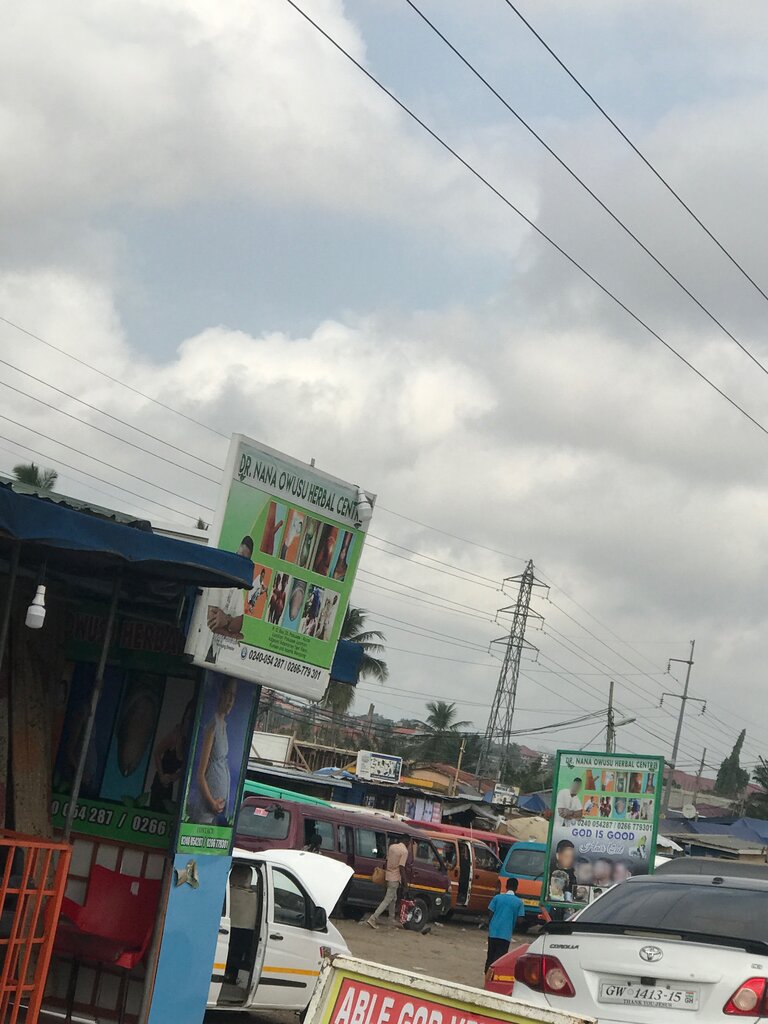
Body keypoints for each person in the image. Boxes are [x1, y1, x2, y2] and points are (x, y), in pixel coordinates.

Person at [193, 676, 236, 824]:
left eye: (233, 696)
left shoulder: (224, 725)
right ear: (221, 693)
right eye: (228, 694)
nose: (230, 701)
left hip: (217, 810)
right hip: (206, 810)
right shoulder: (212, 726)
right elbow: (200, 775)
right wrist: (212, 802)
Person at [206, 537, 253, 662]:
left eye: (245, 560)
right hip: (205, 646)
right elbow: (212, 623)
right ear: (235, 553)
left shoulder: (238, 588)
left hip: (219, 651)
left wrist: (225, 619)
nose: (241, 562)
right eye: (240, 556)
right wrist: (231, 632)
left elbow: (238, 627)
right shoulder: (220, 577)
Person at [149, 700, 194, 811]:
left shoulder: (190, 741)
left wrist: (175, 776)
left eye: (192, 720)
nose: (189, 723)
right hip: (160, 780)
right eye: (188, 718)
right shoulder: (176, 734)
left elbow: (187, 767)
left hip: (170, 783)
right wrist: (161, 775)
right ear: (184, 718)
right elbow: (157, 752)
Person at [367, 836, 409, 929]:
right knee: (387, 900)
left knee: (393, 898)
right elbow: (402, 867)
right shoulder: (404, 851)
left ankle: (391, 919)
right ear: (407, 842)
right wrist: (405, 884)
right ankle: (373, 918)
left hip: (388, 876)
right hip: (395, 878)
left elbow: (386, 862)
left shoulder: (392, 847)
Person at [225, 863, 258, 984]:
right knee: (238, 955)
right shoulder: (254, 897)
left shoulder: (225, 893)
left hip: (227, 930)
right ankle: (232, 977)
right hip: (246, 933)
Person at [485, 878, 525, 974]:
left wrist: (491, 924)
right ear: (516, 888)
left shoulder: (497, 898)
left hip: (493, 932)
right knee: (500, 958)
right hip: (505, 934)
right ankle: (495, 976)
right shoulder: (519, 902)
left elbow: (490, 913)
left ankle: (487, 974)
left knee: (490, 956)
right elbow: (520, 920)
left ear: (506, 886)